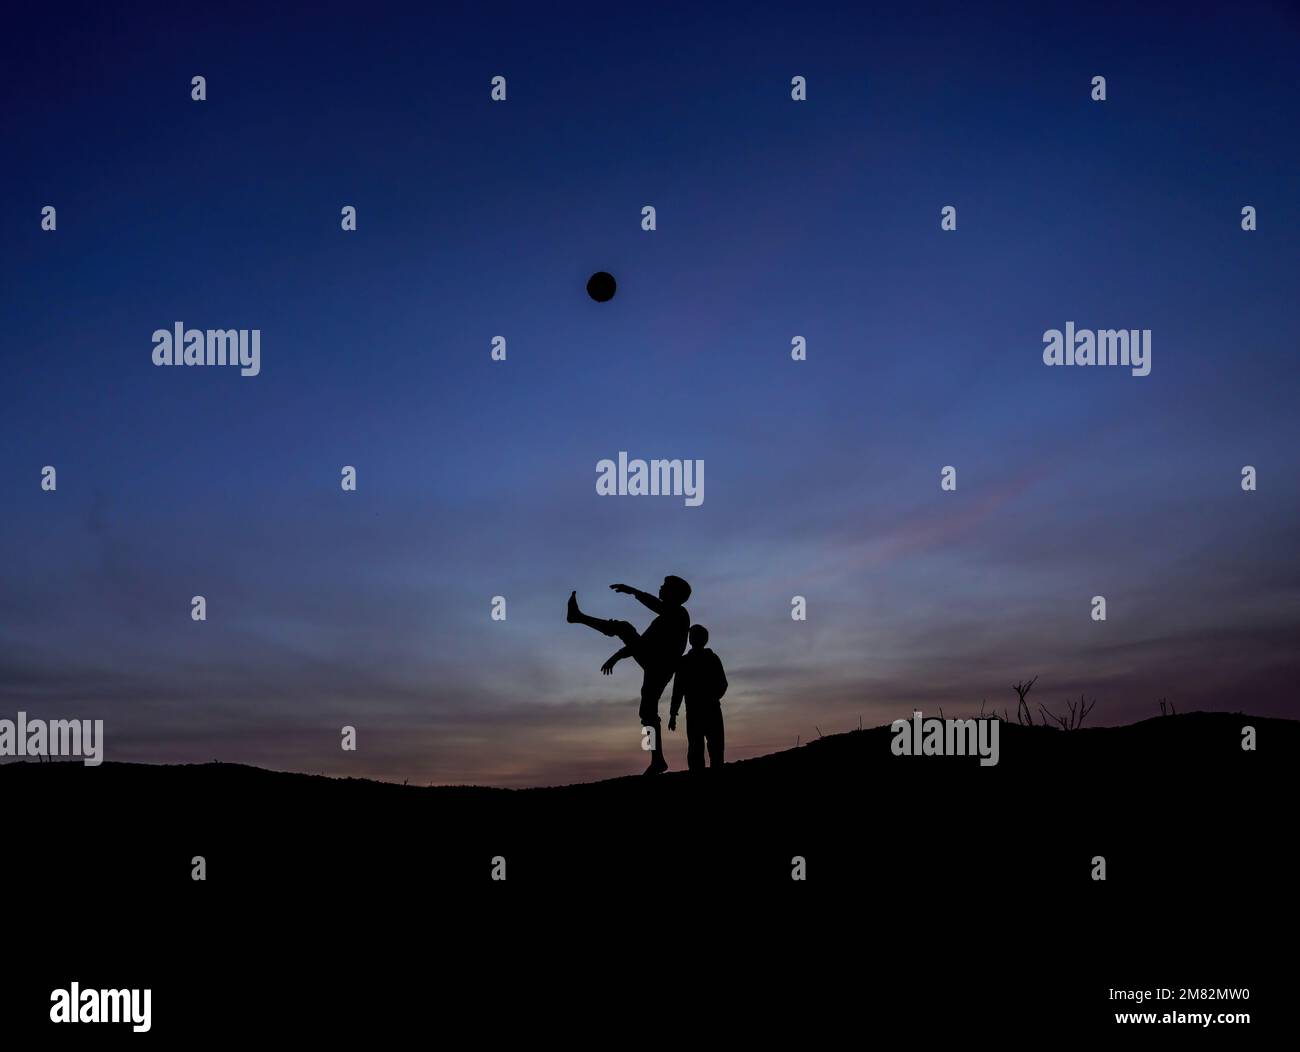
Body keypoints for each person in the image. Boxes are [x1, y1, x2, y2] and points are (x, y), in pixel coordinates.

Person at [567, 577, 691, 774]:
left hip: (661, 665)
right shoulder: (662, 620)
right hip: (653, 662)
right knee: (647, 714)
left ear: (674, 594)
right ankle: (657, 759)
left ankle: (578, 618)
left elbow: (655, 607)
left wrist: (633, 591)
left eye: (665, 587)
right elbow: (639, 644)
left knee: (623, 628)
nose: (660, 588)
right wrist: (617, 656)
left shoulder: (679, 614)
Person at [669, 625, 728, 772]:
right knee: (703, 749)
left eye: (693, 636)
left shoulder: (707, 659)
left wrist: (673, 714)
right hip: (702, 710)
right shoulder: (688, 662)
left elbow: (722, 684)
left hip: (704, 709)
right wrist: (673, 713)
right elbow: (678, 689)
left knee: (710, 748)